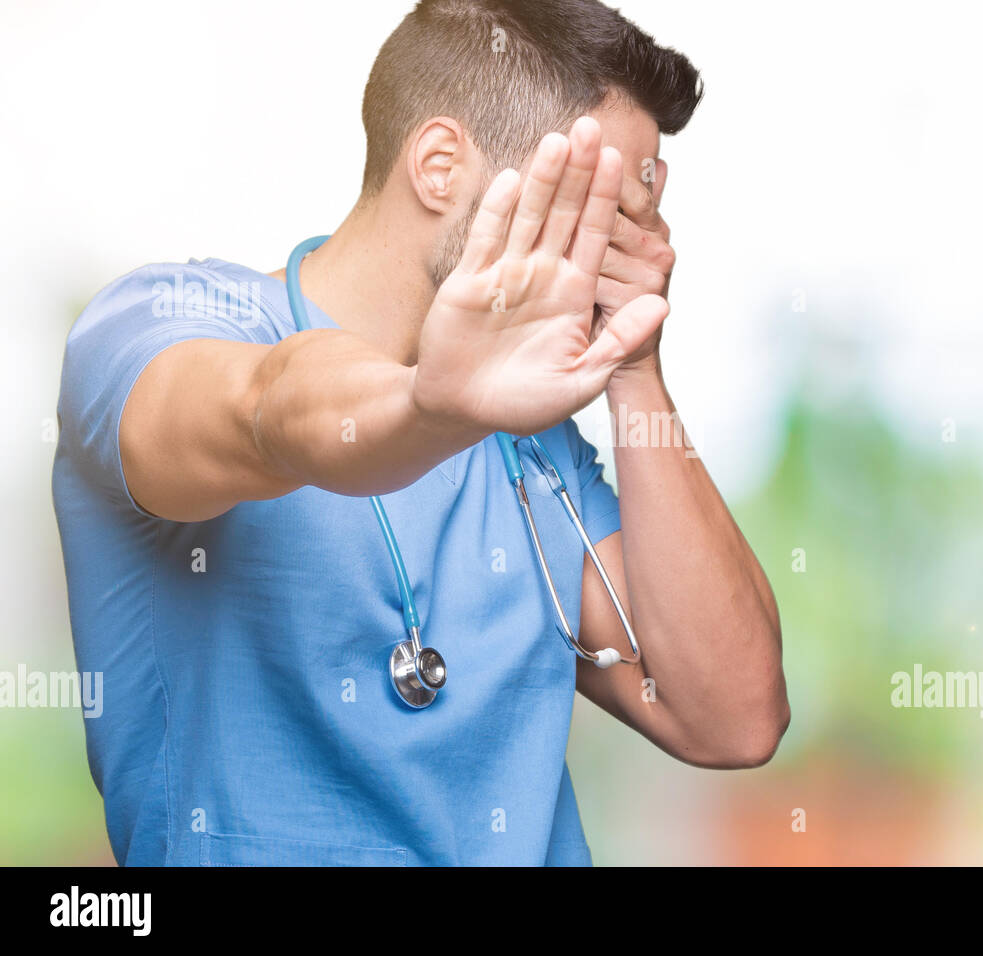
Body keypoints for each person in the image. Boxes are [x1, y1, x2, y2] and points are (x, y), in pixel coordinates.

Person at [52, 0, 788, 867]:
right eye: (591, 208)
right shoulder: (161, 324)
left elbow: (734, 718)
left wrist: (634, 367)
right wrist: (431, 408)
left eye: (638, 217)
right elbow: (269, 406)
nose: (630, 246)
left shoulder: (535, 444)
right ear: (441, 167)